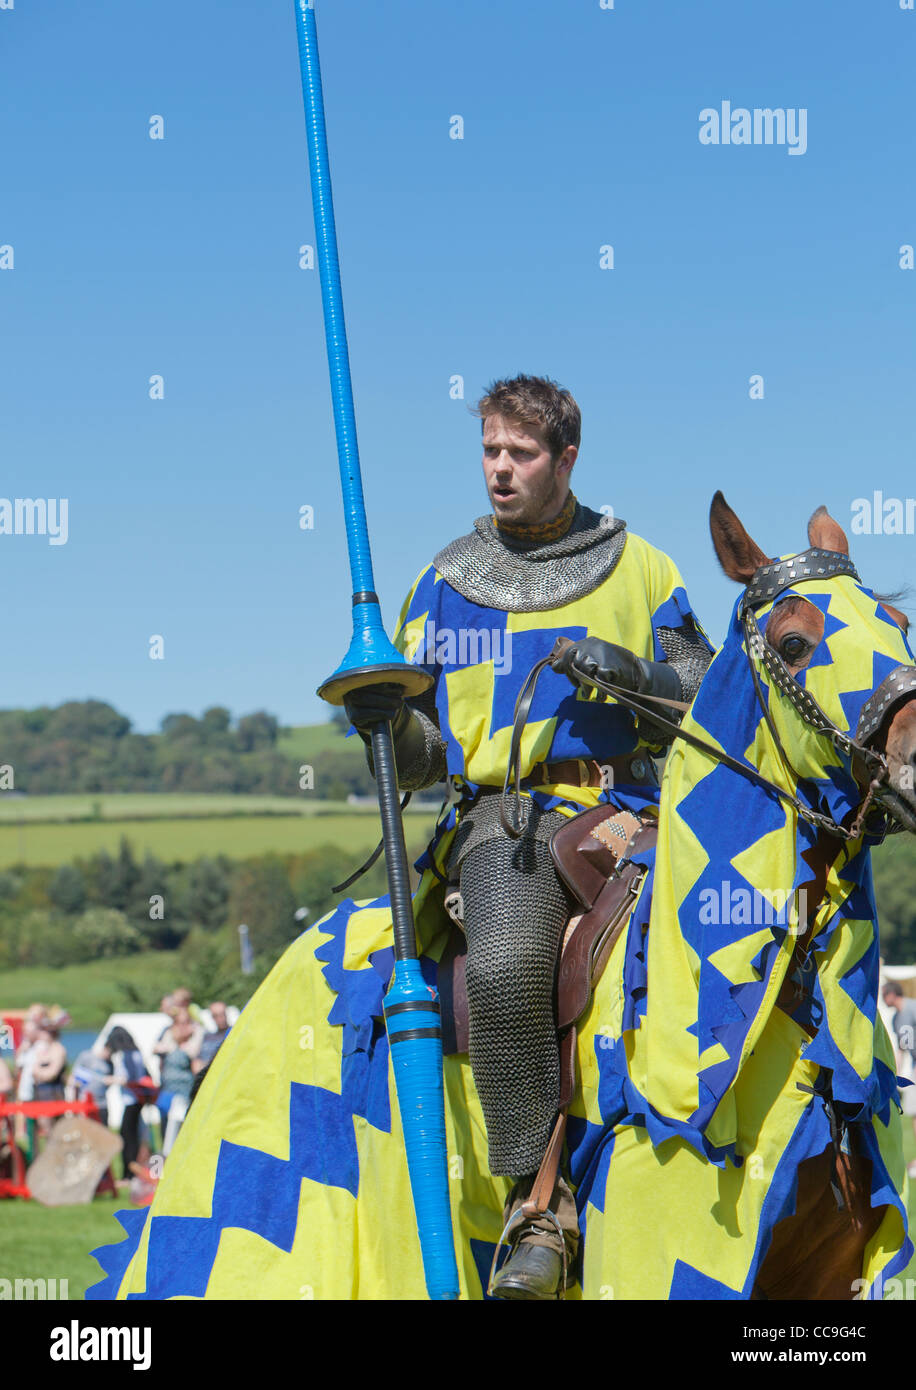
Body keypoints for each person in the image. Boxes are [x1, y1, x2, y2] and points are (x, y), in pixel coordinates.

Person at [344, 374, 713, 1298]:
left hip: (633, 814)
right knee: (509, 961)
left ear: (568, 459)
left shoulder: (645, 568)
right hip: (503, 820)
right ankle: (535, 1210)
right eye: (490, 453)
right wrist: (385, 721)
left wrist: (636, 675)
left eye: (521, 454)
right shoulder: (441, 583)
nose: (500, 471)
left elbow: (712, 706)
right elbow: (428, 756)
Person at [153, 1008, 203, 1155]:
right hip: (167, 1092)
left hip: (182, 1094)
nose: (182, 1027)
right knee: (164, 1132)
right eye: (179, 1023)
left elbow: (193, 1054)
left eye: (186, 1023)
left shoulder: (194, 1038)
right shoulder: (168, 1036)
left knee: (176, 1133)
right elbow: (156, 1048)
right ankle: (165, 1164)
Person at [104, 1026, 151, 1180]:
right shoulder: (136, 1052)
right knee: (135, 1136)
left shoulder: (125, 1055)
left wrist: (111, 1079)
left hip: (131, 1099)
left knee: (127, 1138)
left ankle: (129, 1173)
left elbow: (126, 1078)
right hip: (138, 1099)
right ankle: (133, 1171)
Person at [882, 982, 916, 1179]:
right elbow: (901, 1050)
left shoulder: (912, 1007)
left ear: (892, 994)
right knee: (913, 1112)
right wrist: (891, 1073)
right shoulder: (896, 1019)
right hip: (913, 1067)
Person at [30, 1018, 68, 1103]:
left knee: (49, 1116)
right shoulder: (44, 1049)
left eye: (42, 1031)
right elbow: (34, 1071)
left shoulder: (58, 1049)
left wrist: (39, 1073)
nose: (39, 1034)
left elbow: (52, 1074)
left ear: (50, 1033)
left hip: (54, 1093)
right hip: (41, 1092)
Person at [193, 1002, 232, 1074]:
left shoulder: (233, 1034)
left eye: (222, 1014)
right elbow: (197, 1061)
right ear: (212, 1017)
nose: (220, 1018)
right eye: (216, 1015)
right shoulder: (207, 1037)